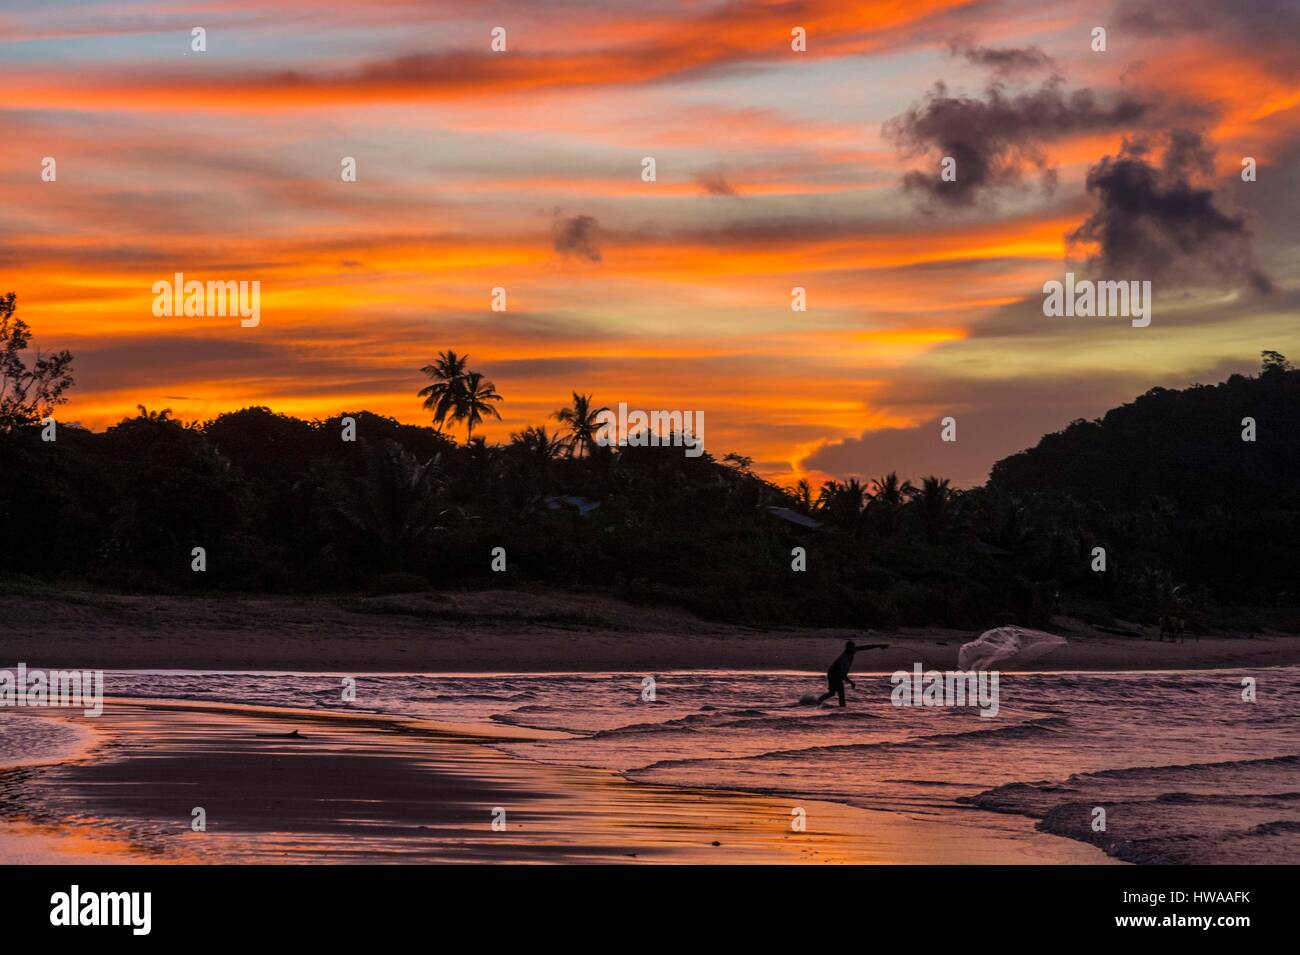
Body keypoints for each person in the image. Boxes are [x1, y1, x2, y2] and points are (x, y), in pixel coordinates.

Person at [817, 640, 886, 707]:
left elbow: (865, 647)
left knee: (832, 693)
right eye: (852, 649)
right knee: (838, 693)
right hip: (834, 674)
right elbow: (842, 676)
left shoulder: (852, 650)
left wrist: (878, 645)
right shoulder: (844, 659)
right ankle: (841, 709)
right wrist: (851, 682)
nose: (854, 650)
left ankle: (818, 702)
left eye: (854, 648)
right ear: (848, 649)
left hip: (834, 673)